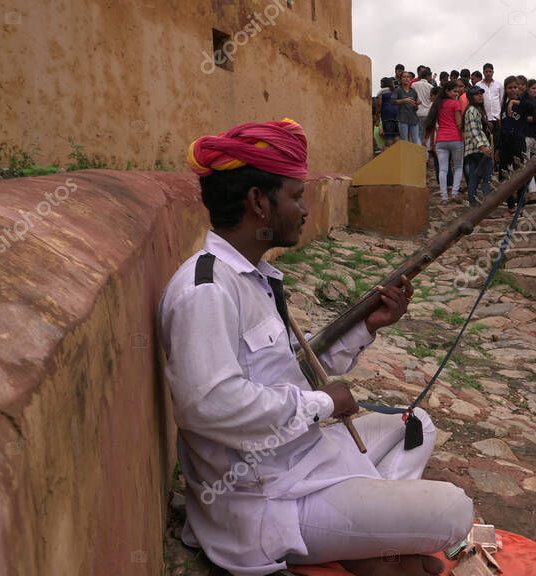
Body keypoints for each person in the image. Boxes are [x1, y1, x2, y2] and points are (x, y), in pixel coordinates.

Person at [167, 119, 473, 576]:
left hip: (303, 454)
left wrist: (366, 326)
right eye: (295, 196)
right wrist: (322, 403)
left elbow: (290, 371)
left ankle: (368, 542)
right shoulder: (206, 288)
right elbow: (208, 405)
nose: (306, 209)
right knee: (454, 511)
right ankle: (369, 540)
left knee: (417, 425)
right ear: (258, 203)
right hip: (266, 497)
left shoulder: (256, 279)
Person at [498, 75, 532, 212]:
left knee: (520, 175)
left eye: (515, 87)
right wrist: (498, 149)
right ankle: (510, 205)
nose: (513, 90)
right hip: (505, 144)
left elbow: (535, 116)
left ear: (519, 89)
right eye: (509, 88)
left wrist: (516, 103)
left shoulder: (524, 104)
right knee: (503, 175)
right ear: (505, 89)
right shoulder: (504, 106)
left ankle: (520, 204)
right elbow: (502, 126)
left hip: (518, 142)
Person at [426, 81, 464, 201]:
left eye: (457, 91)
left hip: (441, 140)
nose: (456, 93)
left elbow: (432, 123)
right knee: (458, 167)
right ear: (447, 91)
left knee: (443, 169)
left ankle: (444, 196)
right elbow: (458, 123)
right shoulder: (455, 104)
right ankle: (454, 193)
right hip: (455, 138)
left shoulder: (438, 104)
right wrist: (464, 136)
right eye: (454, 91)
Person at [463, 85, 493, 207]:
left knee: (474, 179)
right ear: (470, 96)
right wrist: (483, 147)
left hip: (473, 150)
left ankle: (473, 204)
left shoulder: (475, 110)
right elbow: (473, 130)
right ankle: (485, 206)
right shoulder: (472, 111)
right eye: (476, 94)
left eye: (481, 93)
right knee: (487, 177)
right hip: (478, 150)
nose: (480, 96)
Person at [479, 63, 505, 153]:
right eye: (486, 71)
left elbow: (501, 101)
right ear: (483, 72)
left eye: (490, 71)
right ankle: (488, 163)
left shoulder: (498, 85)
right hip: (484, 119)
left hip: (497, 119)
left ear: (493, 72)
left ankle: (496, 164)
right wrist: (484, 118)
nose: (488, 73)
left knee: (497, 143)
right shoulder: (479, 85)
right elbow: (478, 103)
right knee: (486, 142)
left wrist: (500, 117)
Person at [395, 71, 422, 145]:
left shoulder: (413, 91)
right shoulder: (398, 90)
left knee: (415, 141)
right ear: (401, 79)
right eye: (404, 77)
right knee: (405, 142)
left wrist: (416, 105)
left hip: (413, 118)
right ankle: (406, 156)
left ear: (410, 79)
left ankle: (419, 156)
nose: (406, 78)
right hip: (403, 118)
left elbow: (416, 106)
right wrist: (404, 100)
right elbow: (392, 101)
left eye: (408, 77)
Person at [378, 77, 399, 147]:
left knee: (389, 135)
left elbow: (379, 103)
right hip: (396, 113)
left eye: (381, 83)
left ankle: (390, 153)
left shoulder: (382, 91)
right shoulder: (395, 90)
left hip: (387, 114)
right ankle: (397, 152)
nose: (380, 85)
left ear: (384, 83)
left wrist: (378, 112)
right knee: (396, 134)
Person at [414, 67, 435, 132]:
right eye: (430, 76)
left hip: (416, 113)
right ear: (427, 76)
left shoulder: (413, 85)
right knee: (426, 135)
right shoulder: (431, 87)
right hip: (427, 113)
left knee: (417, 135)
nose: (431, 78)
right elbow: (433, 100)